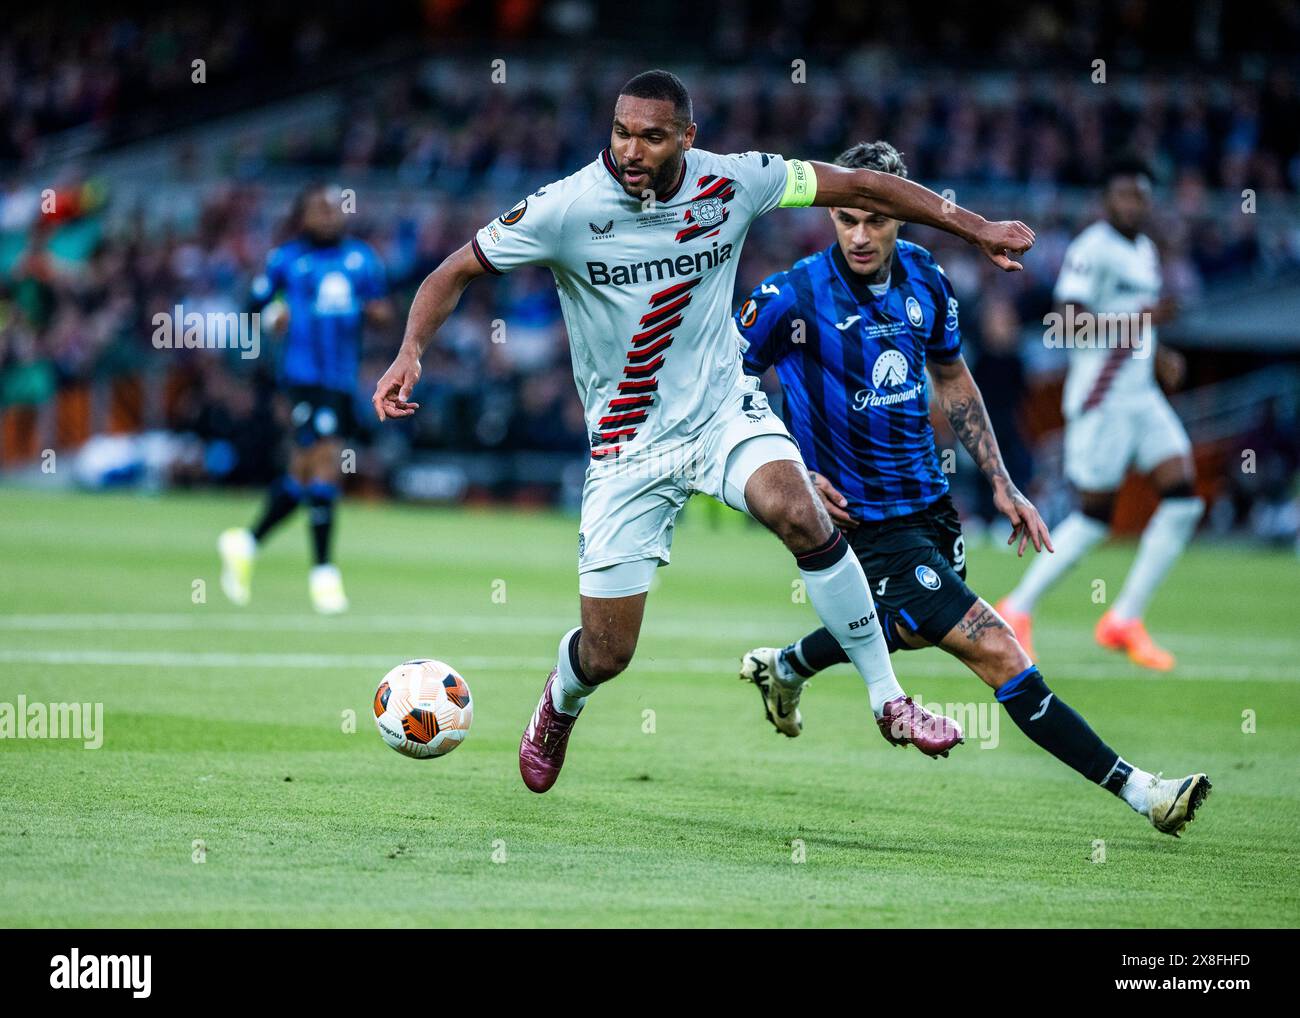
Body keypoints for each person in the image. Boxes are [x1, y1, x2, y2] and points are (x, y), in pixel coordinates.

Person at [373, 70, 1036, 795]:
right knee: (608, 651)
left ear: (687, 138)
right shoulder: (565, 208)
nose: (631, 150)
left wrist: (977, 227)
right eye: (622, 133)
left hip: (724, 414)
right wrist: (410, 352)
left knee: (798, 509)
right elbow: (453, 271)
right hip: (629, 446)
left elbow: (863, 188)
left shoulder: (737, 181)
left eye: (652, 137)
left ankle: (889, 701)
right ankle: (561, 702)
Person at [736, 141, 1210, 837]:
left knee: (902, 627)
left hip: (930, 504)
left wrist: (1003, 482)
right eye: (846, 219)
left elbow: (953, 378)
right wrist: (790, 470)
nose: (861, 235)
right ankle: (1143, 792)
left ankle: (785, 667)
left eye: (877, 219)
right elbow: (724, 381)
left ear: (903, 214)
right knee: (996, 649)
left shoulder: (925, 278)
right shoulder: (791, 295)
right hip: (860, 523)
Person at [997, 157, 1202, 671]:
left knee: (1183, 498)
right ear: (1105, 200)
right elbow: (1067, 325)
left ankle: (1125, 619)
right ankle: (1016, 609)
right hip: (1102, 400)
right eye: (1123, 195)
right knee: (1093, 519)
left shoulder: (1146, 251)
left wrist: (1158, 352)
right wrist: (1144, 318)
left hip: (1141, 397)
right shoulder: (1092, 249)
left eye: (1140, 196)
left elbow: (1136, 326)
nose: (1132, 204)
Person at [219, 184, 392, 614]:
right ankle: (324, 575)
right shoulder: (286, 260)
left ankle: (246, 542)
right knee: (327, 462)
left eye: (334, 209)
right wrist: (272, 315)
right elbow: (252, 306)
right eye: (318, 209)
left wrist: (368, 311)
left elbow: (384, 311)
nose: (328, 216)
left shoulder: (360, 259)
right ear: (302, 215)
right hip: (299, 378)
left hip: (340, 380)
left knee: (303, 474)